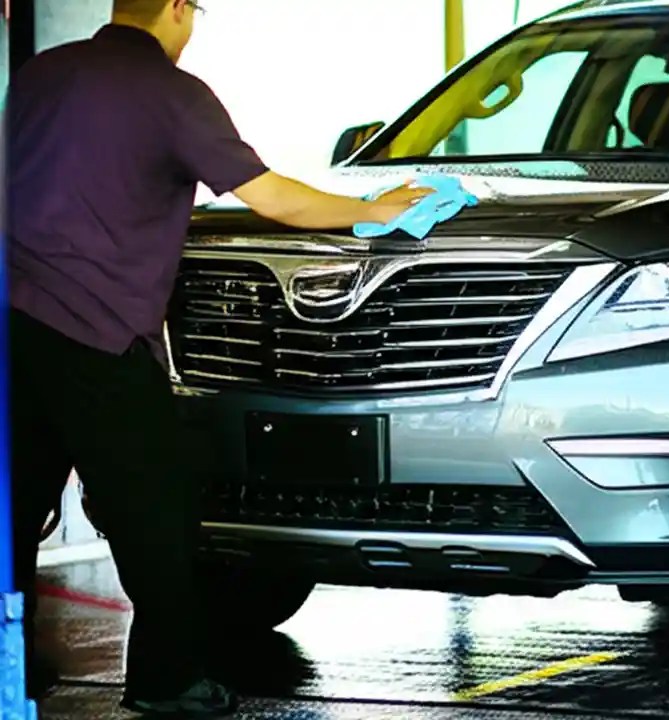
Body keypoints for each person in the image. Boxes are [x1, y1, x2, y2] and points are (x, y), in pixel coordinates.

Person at [3, 0, 432, 715]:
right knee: (157, 513)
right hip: (96, 331)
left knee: (13, 507)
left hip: (11, 320)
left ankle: (9, 668)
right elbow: (276, 200)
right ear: (178, 9)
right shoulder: (172, 92)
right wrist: (378, 208)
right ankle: (167, 681)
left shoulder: (41, 74)